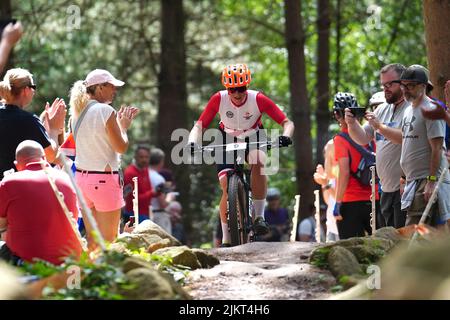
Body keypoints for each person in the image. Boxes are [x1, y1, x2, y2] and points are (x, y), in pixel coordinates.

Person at [187, 63, 294, 247]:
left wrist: (286, 136)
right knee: (226, 187)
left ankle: (259, 217)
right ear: (227, 89)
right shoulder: (218, 99)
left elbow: (287, 122)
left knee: (259, 161)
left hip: (253, 134)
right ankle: (226, 237)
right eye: (233, 89)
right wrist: (192, 142)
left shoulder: (258, 99)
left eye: (242, 88)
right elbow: (199, 126)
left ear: (247, 86)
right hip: (226, 136)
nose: (237, 94)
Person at [69, 69, 139, 248]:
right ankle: (106, 275)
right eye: (111, 86)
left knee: (93, 241)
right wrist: (124, 127)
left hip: (81, 181)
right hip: (104, 181)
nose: (115, 90)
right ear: (99, 88)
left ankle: (92, 274)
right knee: (109, 241)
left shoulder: (76, 114)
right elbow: (121, 147)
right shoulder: (106, 111)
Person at [375, 65, 450, 226]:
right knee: (425, 231)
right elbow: (408, 145)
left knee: (417, 230)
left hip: (427, 179)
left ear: (423, 86)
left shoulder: (431, 109)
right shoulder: (409, 110)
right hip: (412, 181)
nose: (406, 89)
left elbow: (437, 148)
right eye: (404, 85)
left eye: (411, 85)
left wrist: (431, 180)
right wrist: (404, 178)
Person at [345, 63, 408, 228]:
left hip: (405, 188)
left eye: (389, 84)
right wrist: (352, 124)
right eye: (383, 85)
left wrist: (380, 127)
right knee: (389, 240)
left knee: (403, 239)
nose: (385, 89)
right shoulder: (381, 110)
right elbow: (363, 138)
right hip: (385, 189)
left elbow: (407, 138)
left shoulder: (411, 108)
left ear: (403, 83)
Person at [0, 140, 82, 265]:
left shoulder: (8, 182)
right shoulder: (66, 178)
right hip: (67, 262)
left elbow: (1, 224)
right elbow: (74, 218)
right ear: (44, 158)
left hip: (26, 262)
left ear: (17, 165)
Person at [0, 68, 66, 180]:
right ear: (26, 90)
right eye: (33, 87)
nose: (34, 91)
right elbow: (50, 156)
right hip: (16, 188)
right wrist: (53, 130)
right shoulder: (29, 121)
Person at [332, 92, 380, 239]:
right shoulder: (370, 133)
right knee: (380, 248)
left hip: (351, 201)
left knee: (352, 250)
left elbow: (344, 173)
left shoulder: (340, 139)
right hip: (375, 198)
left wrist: (338, 202)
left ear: (336, 114)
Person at [313, 139, 339, 242]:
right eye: (325, 153)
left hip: (340, 225)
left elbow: (340, 197)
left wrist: (325, 183)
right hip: (331, 225)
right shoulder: (330, 175)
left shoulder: (342, 171)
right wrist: (324, 182)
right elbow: (328, 200)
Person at [123, 145, 155, 224]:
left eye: (146, 157)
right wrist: (152, 193)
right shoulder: (129, 173)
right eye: (141, 157)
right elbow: (133, 198)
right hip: (133, 214)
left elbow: (147, 190)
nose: (144, 159)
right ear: (136, 157)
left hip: (145, 213)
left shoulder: (145, 170)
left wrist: (158, 191)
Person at [149, 148, 172, 234]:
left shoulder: (143, 175)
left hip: (146, 215)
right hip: (159, 216)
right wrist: (170, 196)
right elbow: (163, 204)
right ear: (161, 161)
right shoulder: (159, 179)